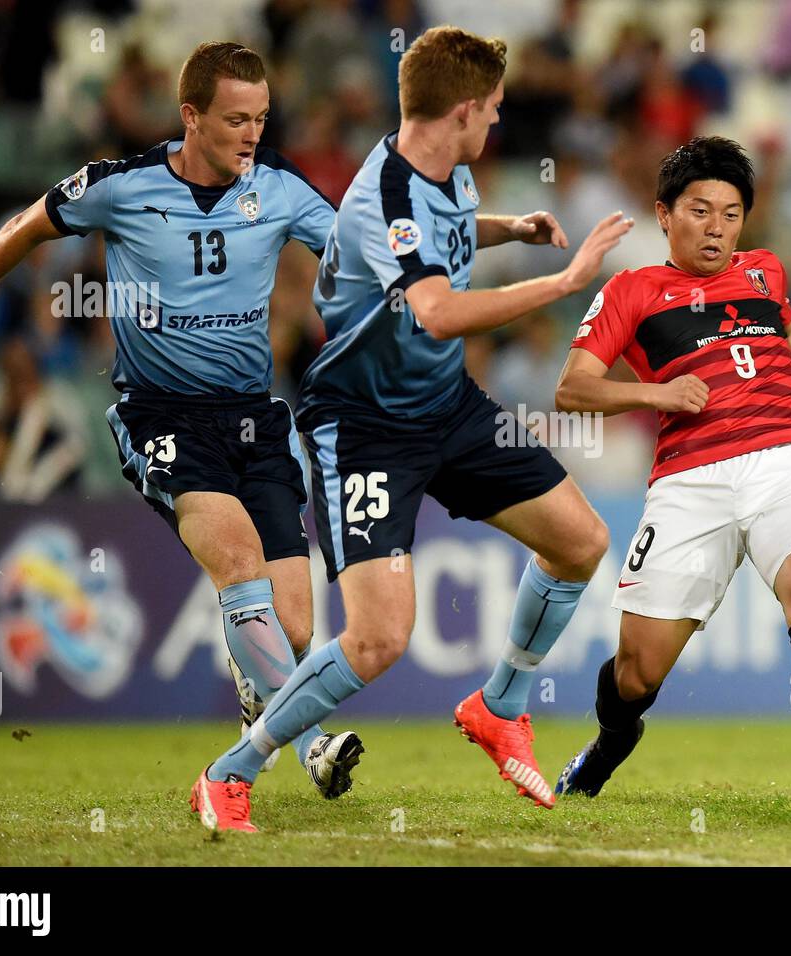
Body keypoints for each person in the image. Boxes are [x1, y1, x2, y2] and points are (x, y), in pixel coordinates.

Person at [191, 26, 633, 831]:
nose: (497, 121)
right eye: (493, 109)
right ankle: (229, 771)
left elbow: (447, 233)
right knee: (378, 639)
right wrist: (564, 280)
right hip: (364, 428)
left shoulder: (446, 167)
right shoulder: (385, 196)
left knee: (579, 541)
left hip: (447, 408)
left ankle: (500, 706)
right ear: (463, 109)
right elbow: (433, 311)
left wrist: (509, 229)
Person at [0, 41, 362, 798]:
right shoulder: (119, 186)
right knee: (236, 564)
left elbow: (358, 255)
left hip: (255, 419)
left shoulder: (281, 188)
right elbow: (25, 227)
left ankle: (255, 693)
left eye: (261, 118)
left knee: (294, 627)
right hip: (160, 416)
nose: (252, 134)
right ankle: (312, 748)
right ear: (190, 116)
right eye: (235, 119)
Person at [553, 136, 791, 808]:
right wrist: (658, 394)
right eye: (699, 211)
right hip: (691, 480)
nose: (716, 228)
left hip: (787, 457)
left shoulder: (764, 272)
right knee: (637, 673)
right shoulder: (631, 292)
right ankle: (610, 741)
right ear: (663, 214)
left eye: (730, 213)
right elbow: (572, 389)